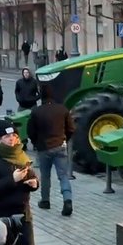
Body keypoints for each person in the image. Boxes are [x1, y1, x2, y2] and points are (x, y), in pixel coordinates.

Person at [29, 83, 74, 216]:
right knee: (63, 175)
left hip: (44, 147)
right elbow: (71, 128)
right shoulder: (62, 109)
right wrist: (65, 139)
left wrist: (36, 142)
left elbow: (31, 131)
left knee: (45, 175)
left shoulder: (37, 111)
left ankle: (45, 200)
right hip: (60, 145)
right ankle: (67, 200)